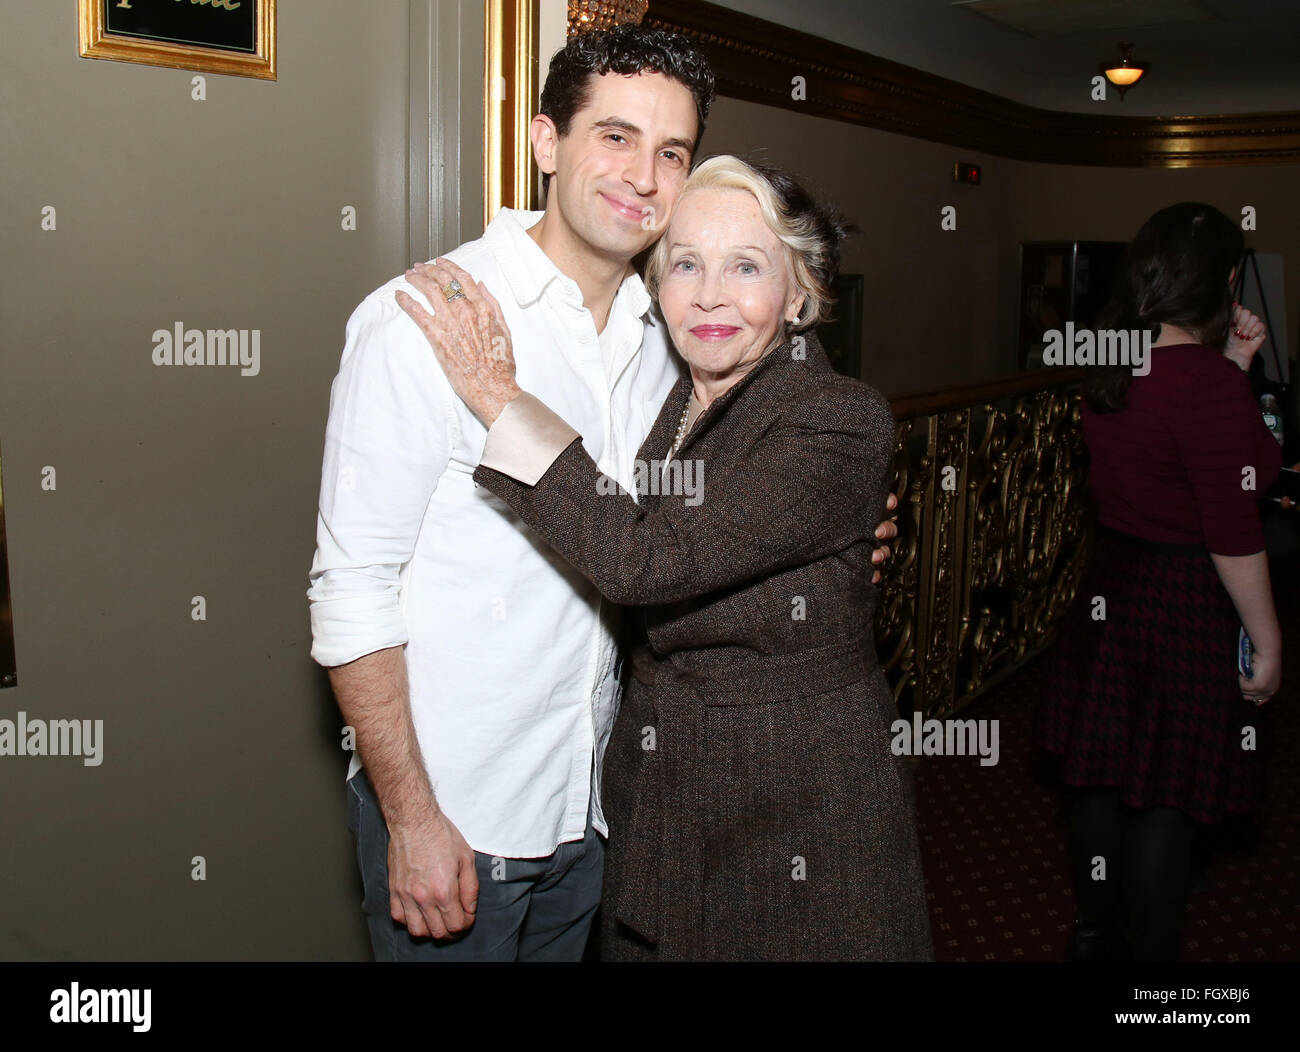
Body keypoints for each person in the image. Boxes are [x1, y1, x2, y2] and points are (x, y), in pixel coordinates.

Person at [307, 27, 899, 961]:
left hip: (601, 814)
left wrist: (846, 533)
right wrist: (411, 817)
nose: (645, 176)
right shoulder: (428, 321)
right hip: (462, 819)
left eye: (673, 152)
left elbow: (676, 535)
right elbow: (351, 592)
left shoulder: (665, 336)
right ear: (546, 142)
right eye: (616, 137)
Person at [397, 155, 934, 961]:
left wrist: (498, 396)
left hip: (795, 802)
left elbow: (645, 560)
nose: (710, 292)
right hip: (663, 793)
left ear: (799, 294)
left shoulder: (838, 418)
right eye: (685, 263)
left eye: (746, 266)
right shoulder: (671, 399)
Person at [1038, 202, 1283, 963]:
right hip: (1186, 601)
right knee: (1166, 801)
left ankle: (1091, 932)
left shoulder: (1113, 364)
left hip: (1114, 586)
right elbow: (1233, 525)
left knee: (1104, 780)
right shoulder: (1204, 384)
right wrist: (1269, 642)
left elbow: (1183, 451)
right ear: (1223, 282)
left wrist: (1234, 369)